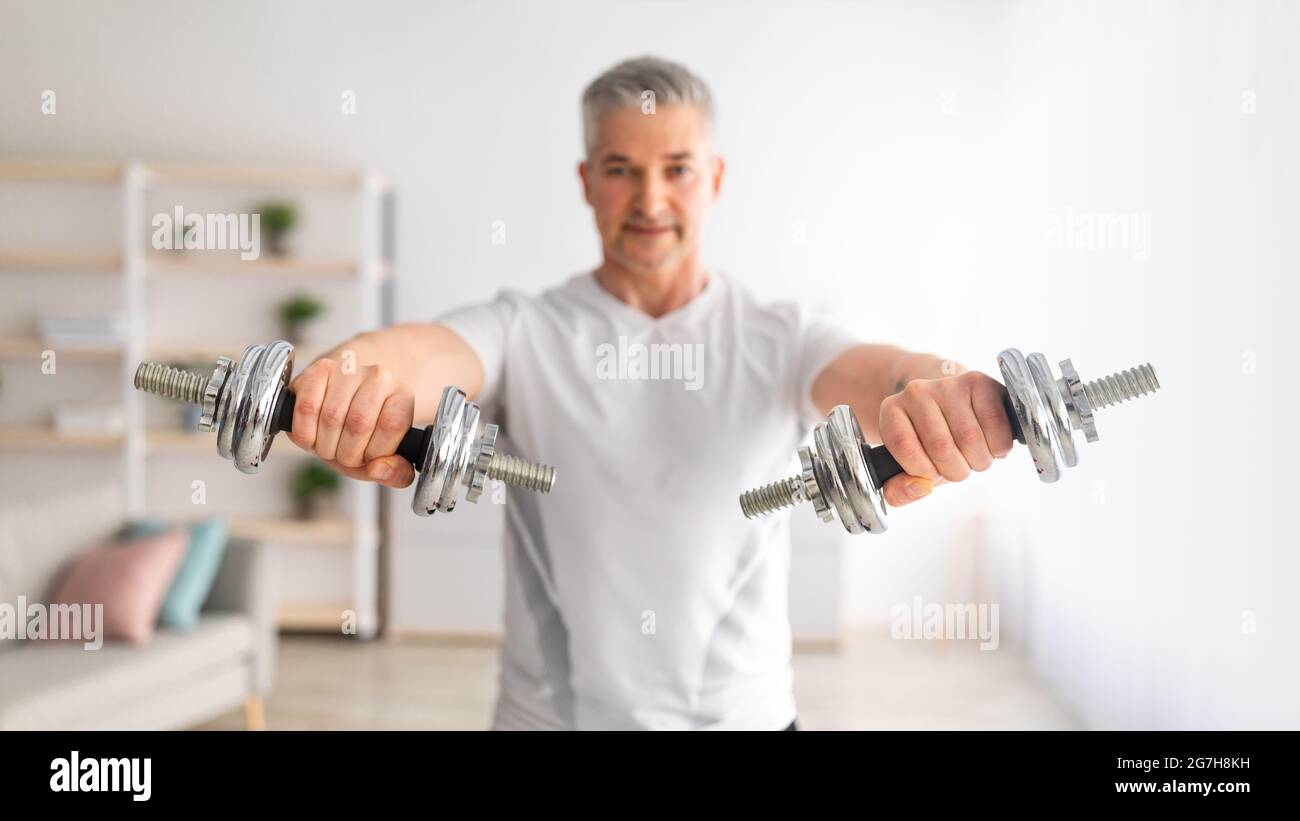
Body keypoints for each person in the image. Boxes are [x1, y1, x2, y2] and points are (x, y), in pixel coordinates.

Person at [287, 56, 1014, 730]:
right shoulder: (526, 328)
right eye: (620, 168)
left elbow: (882, 375)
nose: (650, 198)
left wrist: (935, 388)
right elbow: (426, 353)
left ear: (717, 177)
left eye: (677, 168)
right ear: (584, 180)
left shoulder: (781, 335)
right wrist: (356, 368)